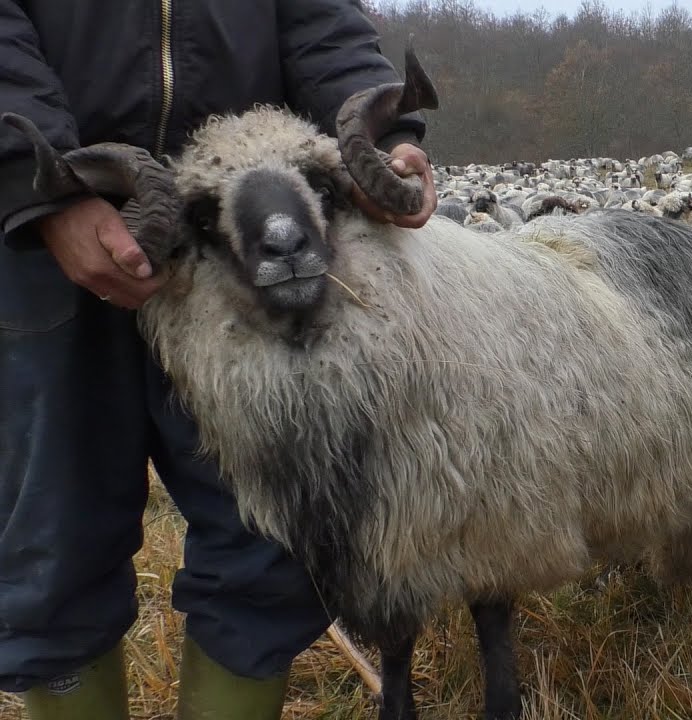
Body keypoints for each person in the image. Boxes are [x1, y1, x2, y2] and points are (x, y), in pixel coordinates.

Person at [0, 1, 437, 718]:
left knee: (271, 528)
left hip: (238, 243)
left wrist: (373, 135)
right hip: (47, 229)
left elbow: (319, 19)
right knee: (51, 538)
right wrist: (38, 185)